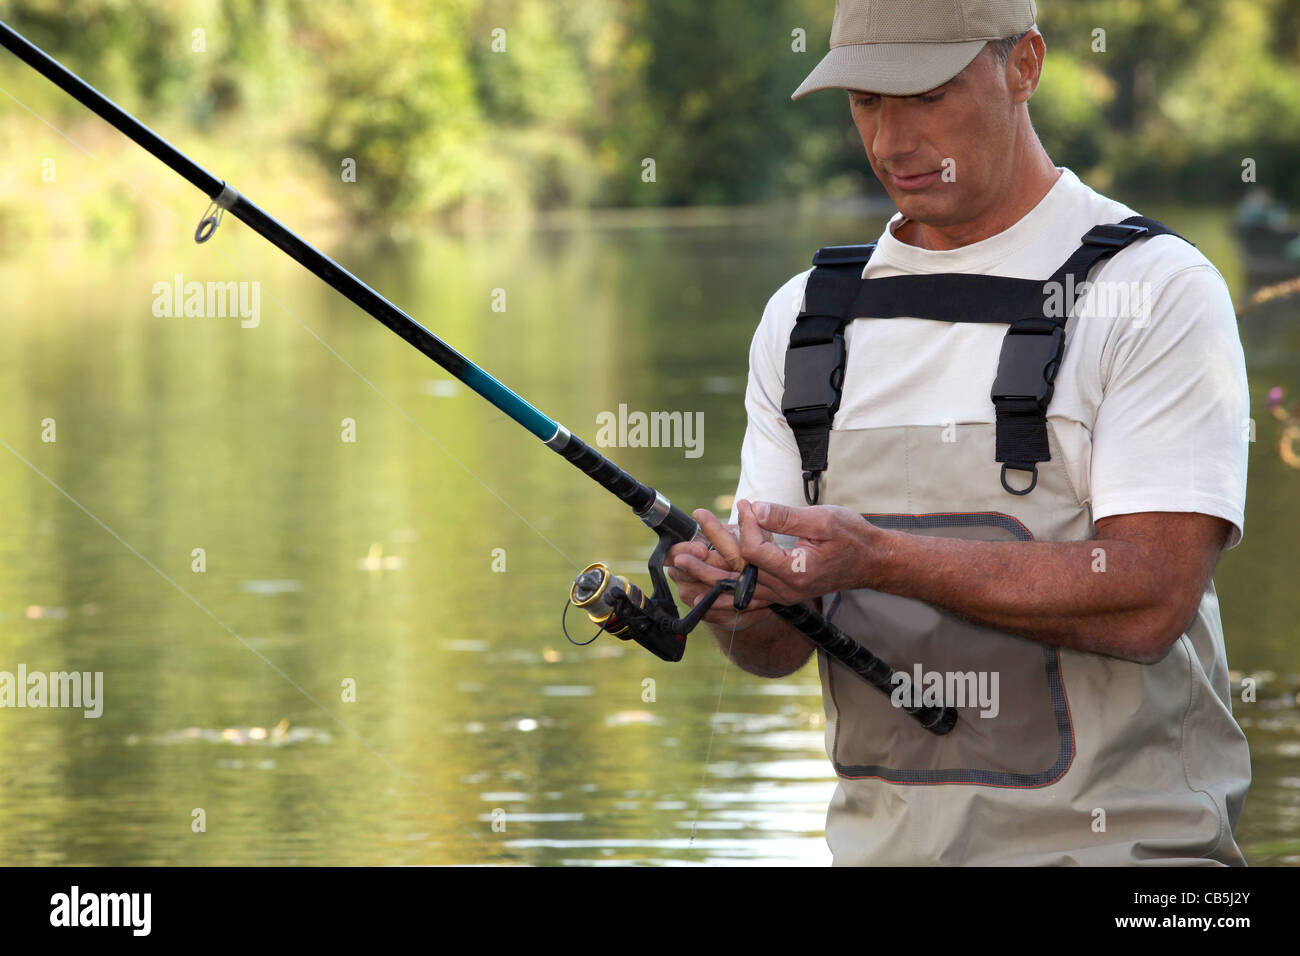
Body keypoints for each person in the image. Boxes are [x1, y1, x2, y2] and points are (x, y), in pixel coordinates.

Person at [667, 0, 1252, 865]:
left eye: (928, 94)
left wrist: (880, 558)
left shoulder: (1156, 289)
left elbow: (1151, 599)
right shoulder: (801, 320)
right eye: (866, 101)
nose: (892, 141)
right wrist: (736, 600)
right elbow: (776, 649)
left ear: (1024, 67)